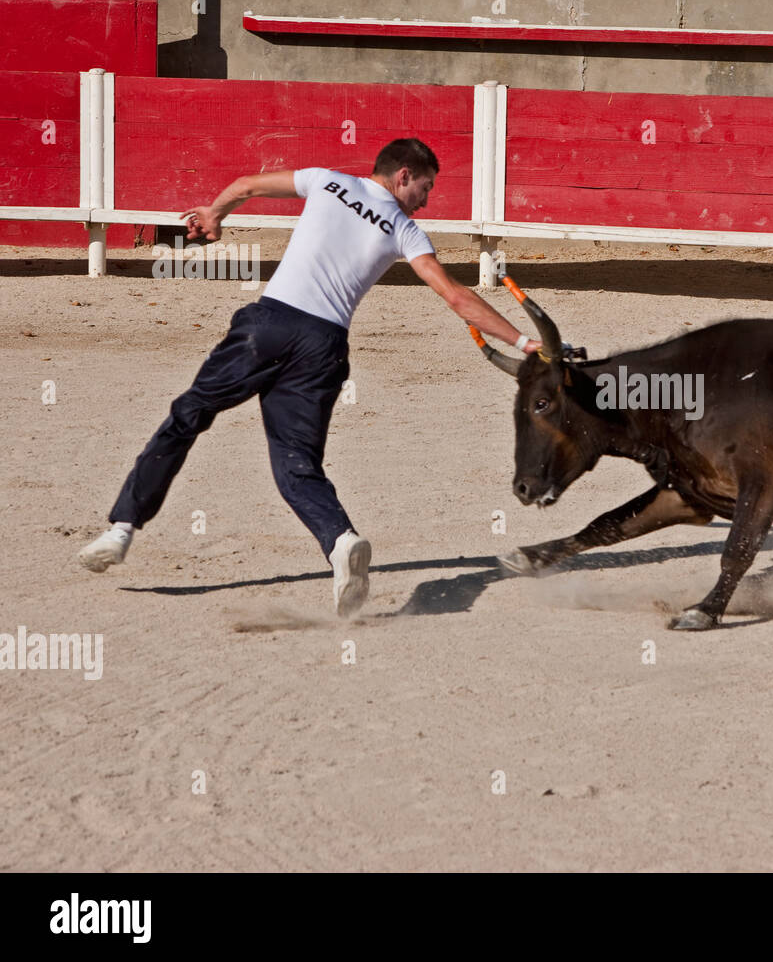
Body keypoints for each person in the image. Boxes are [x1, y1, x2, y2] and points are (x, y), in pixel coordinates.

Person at [78, 137, 539, 616]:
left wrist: (215, 214)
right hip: (324, 347)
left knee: (189, 414)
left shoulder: (327, 181)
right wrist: (525, 343)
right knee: (296, 463)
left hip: (269, 328)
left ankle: (122, 527)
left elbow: (245, 184)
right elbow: (455, 297)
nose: (426, 199)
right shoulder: (405, 229)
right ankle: (340, 540)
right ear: (403, 175)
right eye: (426, 187)